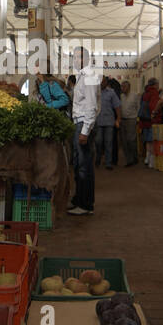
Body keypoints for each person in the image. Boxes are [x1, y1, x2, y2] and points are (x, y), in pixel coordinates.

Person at [67, 48, 99, 215]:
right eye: (74, 57)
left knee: (84, 166)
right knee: (79, 164)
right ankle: (79, 200)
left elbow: (92, 106)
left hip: (83, 125)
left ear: (86, 59)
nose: (76, 60)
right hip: (78, 123)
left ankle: (86, 205)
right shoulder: (81, 76)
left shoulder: (90, 77)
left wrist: (85, 131)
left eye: (79, 57)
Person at [95, 77, 121, 170]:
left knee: (108, 142)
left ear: (106, 82)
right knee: (98, 141)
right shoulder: (95, 92)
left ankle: (108, 163)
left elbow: (117, 106)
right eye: (100, 82)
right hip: (98, 121)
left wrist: (118, 119)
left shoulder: (111, 92)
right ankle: (97, 158)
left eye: (104, 82)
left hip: (109, 121)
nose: (102, 83)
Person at [119, 79, 140, 166]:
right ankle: (129, 160)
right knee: (124, 141)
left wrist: (137, 118)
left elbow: (138, 107)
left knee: (131, 140)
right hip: (122, 120)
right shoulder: (121, 96)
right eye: (122, 87)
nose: (122, 88)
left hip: (132, 119)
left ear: (129, 87)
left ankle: (135, 157)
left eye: (124, 86)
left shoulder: (134, 95)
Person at [139, 78, 160, 161]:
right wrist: (154, 114)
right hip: (151, 120)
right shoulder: (154, 93)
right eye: (157, 84)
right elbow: (153, 106)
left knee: (147, 140)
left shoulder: (145, 93)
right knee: (152, 140)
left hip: (144, 119)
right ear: (155, 84)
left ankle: (147, 159)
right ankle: (151, 161)